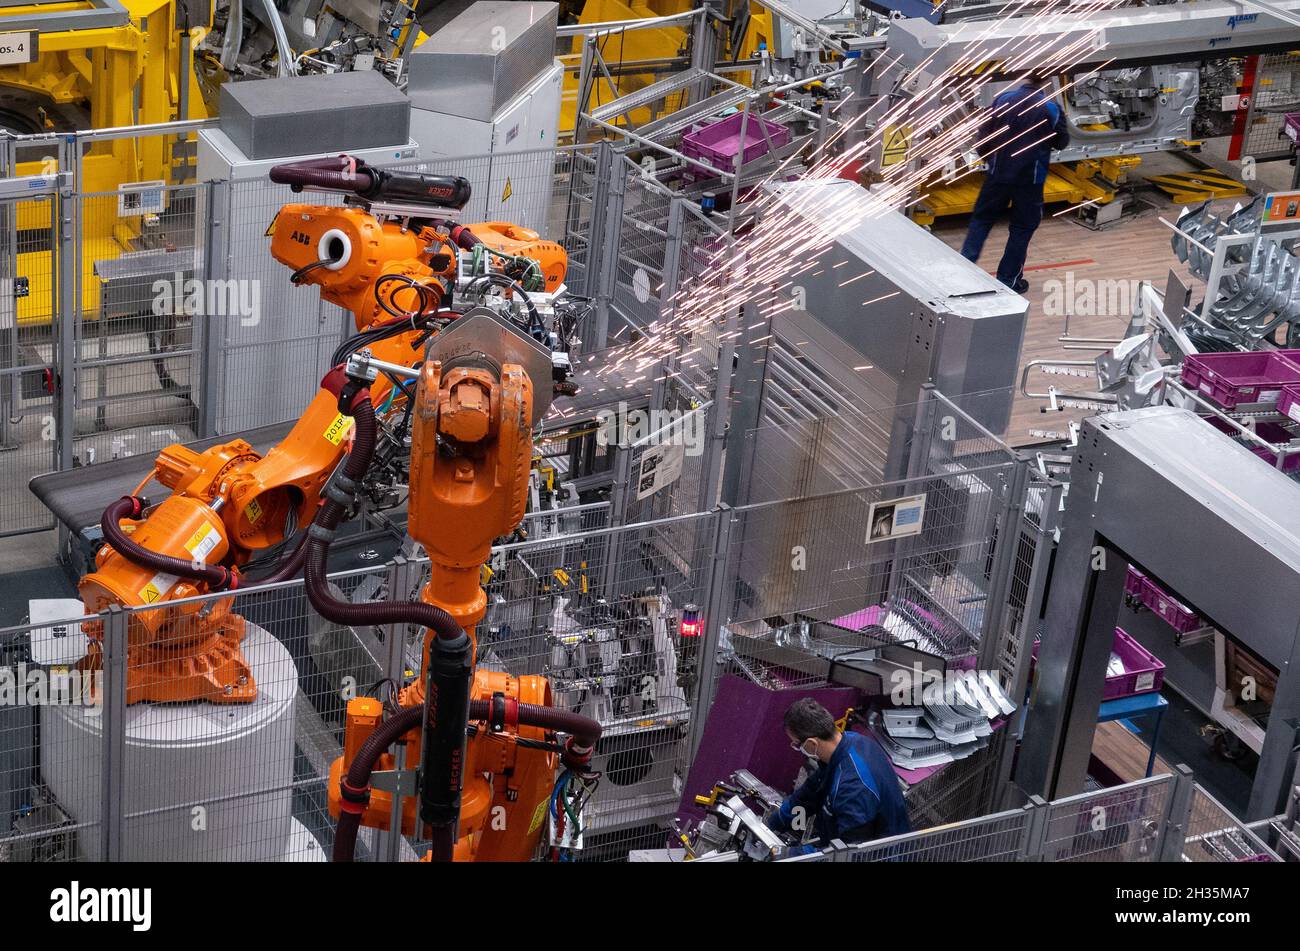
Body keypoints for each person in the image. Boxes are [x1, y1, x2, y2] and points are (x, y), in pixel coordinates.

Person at [960, 74, 1070, 293]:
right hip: (1030, 181)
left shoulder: (1002, 100)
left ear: (1026, 79)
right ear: (1046, 83)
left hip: (998, 175)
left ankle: (963, 270)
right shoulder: (1051, 108)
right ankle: (1008, 279)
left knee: (981, 220)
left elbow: (983, 136)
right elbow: (1062, 142)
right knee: (1022, 228)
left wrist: (991, 161)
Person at [766, 698, 911, 851]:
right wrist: (775, 823)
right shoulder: (852, 741)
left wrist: (789, 856)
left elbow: (847, 852)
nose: (796, 748)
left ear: (812, 743)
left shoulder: (853, 786)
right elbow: (809, 796)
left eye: (796, 744)